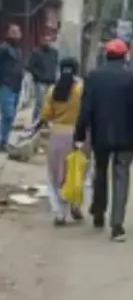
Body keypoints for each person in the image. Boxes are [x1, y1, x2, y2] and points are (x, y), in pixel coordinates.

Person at [74, 40, 133, 242]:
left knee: (100, 172)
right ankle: (117, 225)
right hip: (127, 137)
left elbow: (86, 109)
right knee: (121, 177)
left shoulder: (94, 78)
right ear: (125, 57)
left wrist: (79, 134)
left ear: (105, 56)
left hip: (101, 135)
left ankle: (99, 211)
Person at [41, 57, 83, 226]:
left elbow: (46, 115)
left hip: (57, 134)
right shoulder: (81, 89)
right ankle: (75, 205)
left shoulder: (52, 90)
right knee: (77, 173)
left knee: (55, 175)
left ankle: (59, 213)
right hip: (78, 136)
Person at [26, 33, 59, 127]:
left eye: (49, 40)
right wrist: (37, 75)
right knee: (40, 102)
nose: (47, 42)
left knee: (51, 102)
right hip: (40, 82)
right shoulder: (36, 52)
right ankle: (35, 121)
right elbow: (29, 66)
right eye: (45, 40)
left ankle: (47, 120)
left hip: (51, 81)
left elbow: (56, 65)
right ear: (41, 41)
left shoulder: (54, 52)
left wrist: (55, 77)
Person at [0, 24, 24, 151]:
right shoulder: (3, 48)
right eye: (13, 32)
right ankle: (2, 140)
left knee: (12, 115)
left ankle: (5, 140)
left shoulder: (19, 51)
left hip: (17, 86)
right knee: (7, 114)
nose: (15, 35)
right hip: (5, 85)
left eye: (17, 32)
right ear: (8, 34)